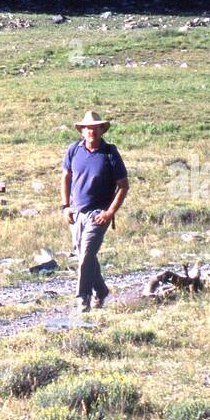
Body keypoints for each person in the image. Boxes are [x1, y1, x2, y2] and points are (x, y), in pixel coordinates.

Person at [60, 109, 129, 313]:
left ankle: (83, 298)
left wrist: (109, 213)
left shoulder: (110, 152)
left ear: (101, 130)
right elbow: (66, 176)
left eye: (95, 128)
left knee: (86, 255)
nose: (91, 131)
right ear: (82, 131)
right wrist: (65, 206)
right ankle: (101, 290)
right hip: (77, 213)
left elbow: (123, 185)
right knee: (85, 256)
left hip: (98, 214)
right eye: (88, 128)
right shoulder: (74, 150)